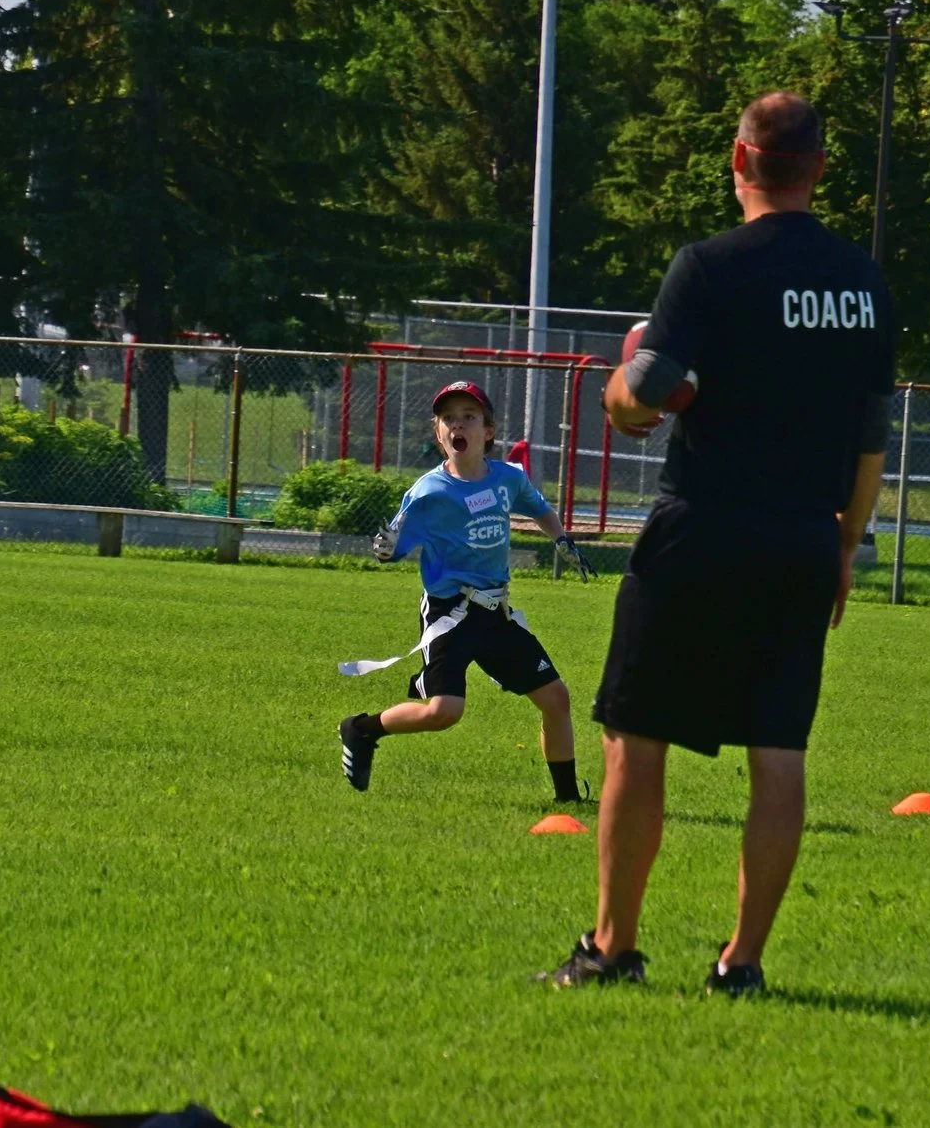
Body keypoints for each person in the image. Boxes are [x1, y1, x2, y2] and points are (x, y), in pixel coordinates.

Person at [544, 90, 894, 996]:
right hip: (805, 540)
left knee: (637, 736)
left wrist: (625, 387)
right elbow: (868, 436)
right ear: (820, 166)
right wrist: (846, 546)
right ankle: (742, 965)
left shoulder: (707, 267)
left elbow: (648, 391)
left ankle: (612, 950)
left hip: (703, 529)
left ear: (739, 163)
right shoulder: (864, 283)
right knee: (778, 752)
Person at [338, 380, 593, 803]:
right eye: (448, 419)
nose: (458, 425)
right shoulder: (429, 492)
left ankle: (568, 800)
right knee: (444, 713)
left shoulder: (508, 479)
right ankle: (361, 729)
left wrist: (562, 539)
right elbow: (395, 545)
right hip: (449, 613)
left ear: (488, 431)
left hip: (495, 611)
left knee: (556, 698)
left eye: (469, 417)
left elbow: (541, 509)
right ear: (439, 434)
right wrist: (386, 551)